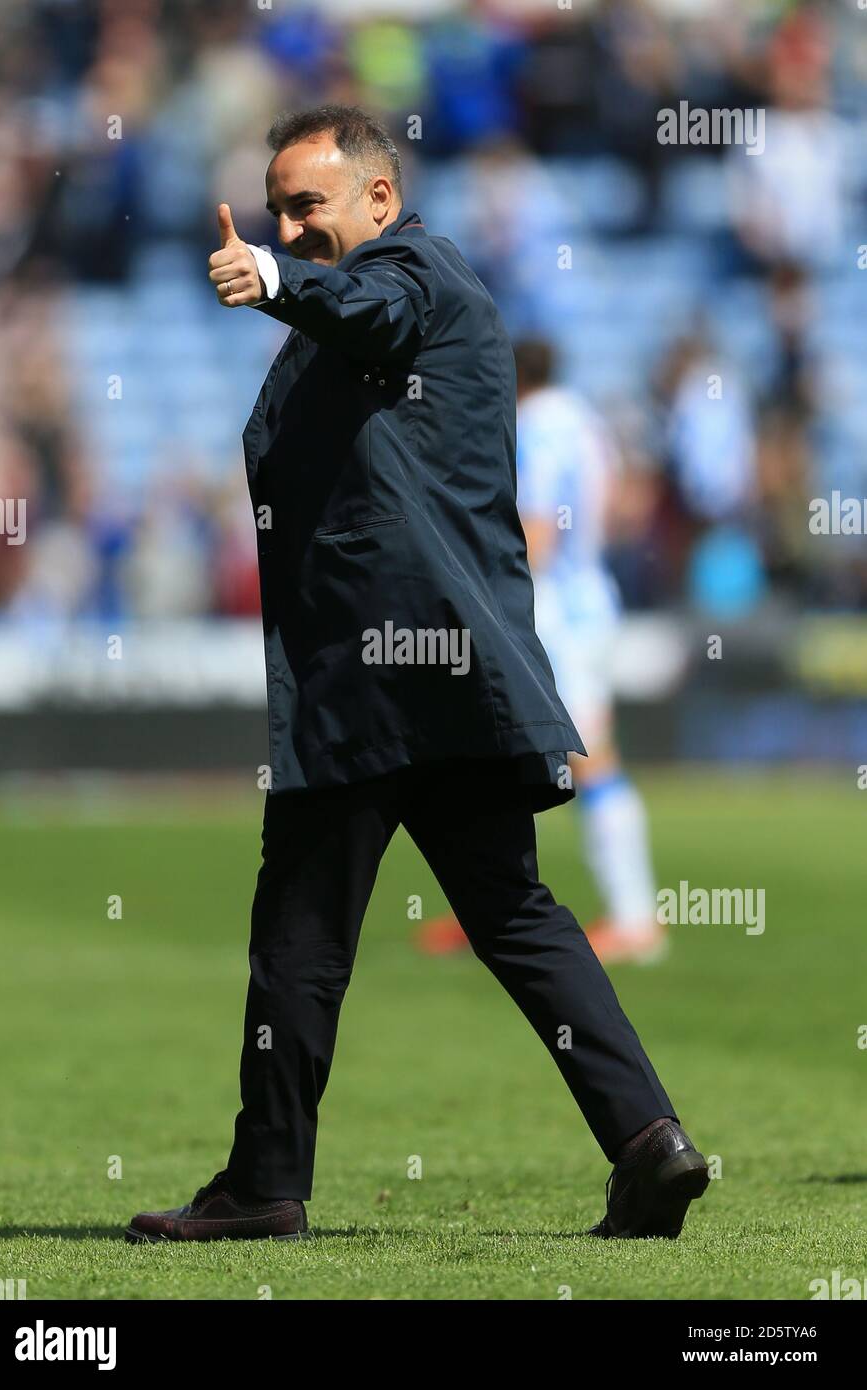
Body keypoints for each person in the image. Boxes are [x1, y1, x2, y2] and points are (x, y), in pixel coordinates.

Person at [125, 105, 708, 1245]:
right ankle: (649, 1143)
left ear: (379, 200)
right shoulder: (402, 302)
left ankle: (262, 1184)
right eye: (278, 209)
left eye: (310, 205)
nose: (292, 228)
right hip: (459, 676)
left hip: (370, 678)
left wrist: (275, 281)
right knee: (517, 915)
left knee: (298, 933)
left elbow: (366, 307)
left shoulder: (409, 275)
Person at [417, 339, 666, 965]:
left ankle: (637, 919)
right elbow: (617, 510)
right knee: (500, 752)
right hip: (589, 599)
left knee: (590, 757)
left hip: (555, 611)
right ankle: (488, 906)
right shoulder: (587, 422)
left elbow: (538, 532)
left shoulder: (535, 429)